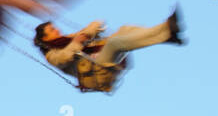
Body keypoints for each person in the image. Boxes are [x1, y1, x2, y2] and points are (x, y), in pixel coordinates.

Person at [35, 7, 183, 93]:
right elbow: (64, 58)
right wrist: (77, 42)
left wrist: (92, 28)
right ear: (45, 38)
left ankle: (165, 31)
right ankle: (167, 32)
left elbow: (84, 34)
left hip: (99, 61)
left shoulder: (66, 39)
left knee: (126, 29)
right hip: (96, 71)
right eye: (52, 30)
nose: (57, 30)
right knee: (114, 43)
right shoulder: (51, 54)